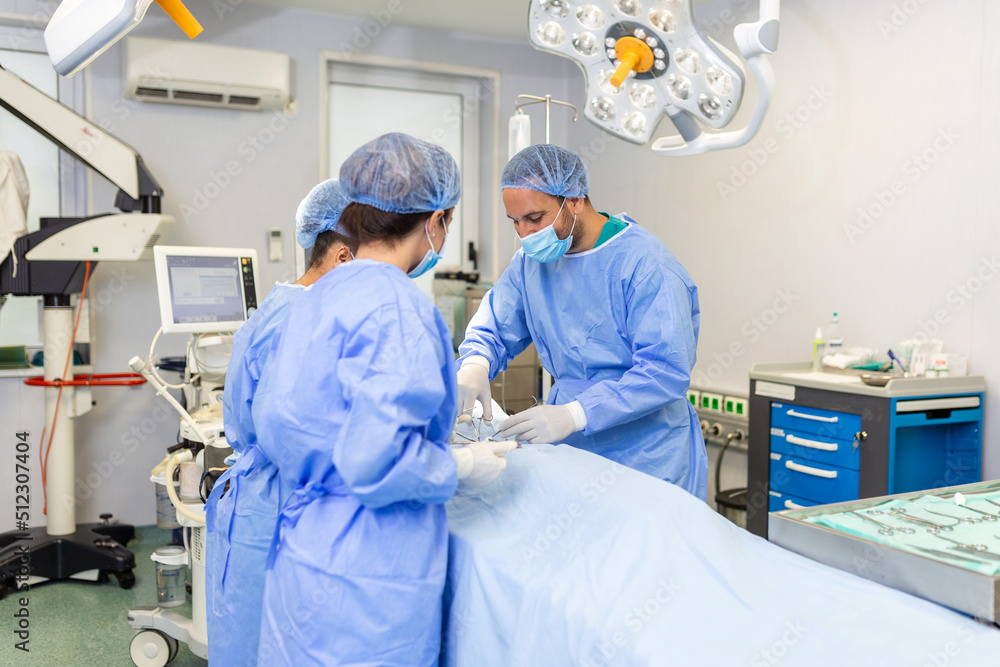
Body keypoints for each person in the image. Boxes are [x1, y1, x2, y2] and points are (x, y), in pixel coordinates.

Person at [251, 133, 515, 666]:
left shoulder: (317, 296)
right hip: (368, 578)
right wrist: (461, 463)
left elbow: (280, 423)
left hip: (304, 553)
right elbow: (377, 461)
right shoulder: (397, 308)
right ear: (436, 219)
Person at [457, 144, 708, 500]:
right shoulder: (532, 263)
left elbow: (664, 371)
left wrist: (576, 414)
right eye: (515, 222)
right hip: (572, 447)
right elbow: (496, 324)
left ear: (574, 200)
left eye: (534, 218)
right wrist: (475, 364)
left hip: (648, 455)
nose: (525, 234)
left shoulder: (645, 265)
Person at [204, 179, 357, 667]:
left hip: (263, 502)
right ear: (344, 256)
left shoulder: (284, 305)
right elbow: (297, 433)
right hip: (277, 509)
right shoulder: (304, 319)